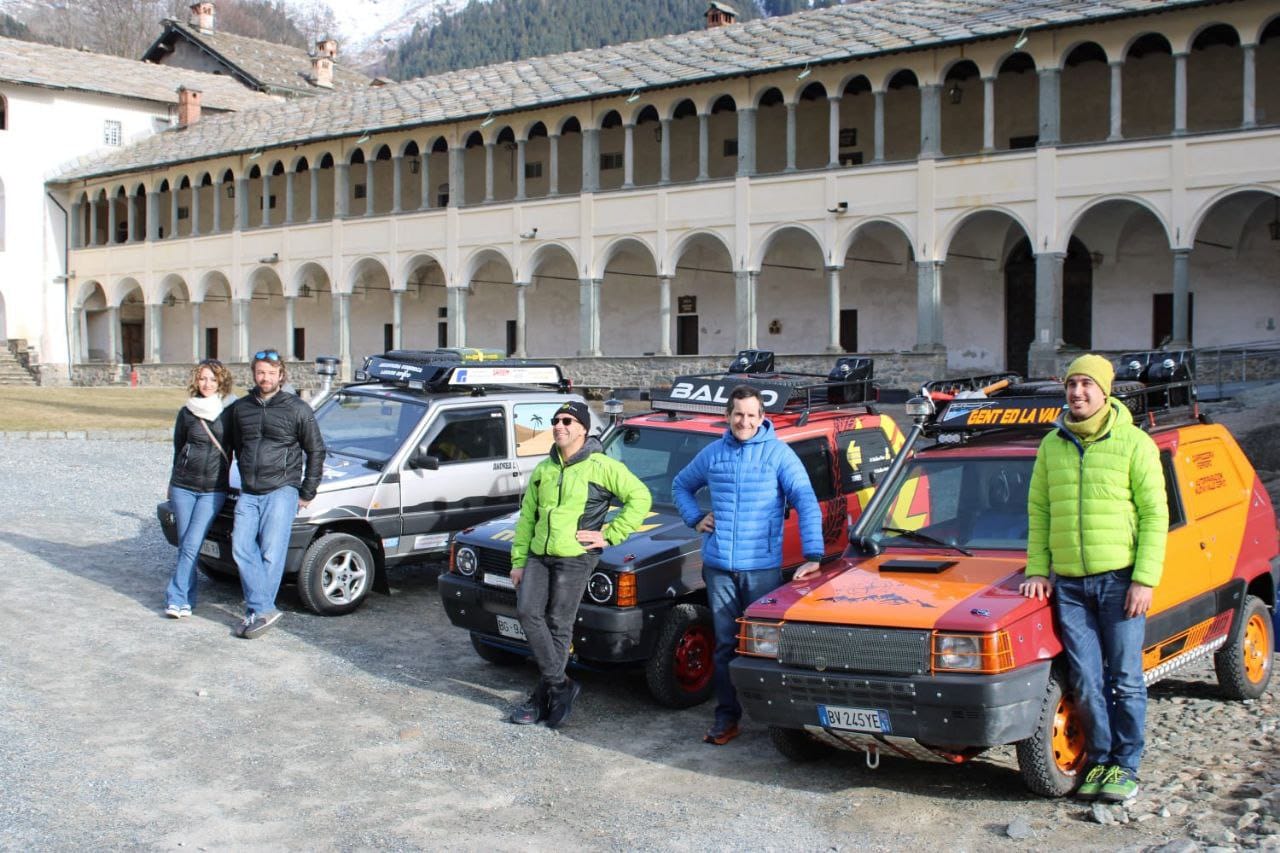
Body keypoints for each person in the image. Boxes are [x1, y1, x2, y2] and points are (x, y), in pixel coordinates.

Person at [1019, 354, 1167, 803]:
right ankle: (1101, 760)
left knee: (1124, 677)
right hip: (1070, 587)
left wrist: (1144, 578)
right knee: (1085, 680)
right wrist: (1038, 570)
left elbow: (1155, 514)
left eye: (1086, 384)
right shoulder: (1052, 445)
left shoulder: (1135, 443)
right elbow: (1040, 512)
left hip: (1120, 581)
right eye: (1071, 384)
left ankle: (1127, 765)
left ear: (1106, 392)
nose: (1077, 392)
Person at [672, 385, 824, 745]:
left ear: (762, 417)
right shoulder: (713, 454)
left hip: (761, 570)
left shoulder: (779, 455)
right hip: (720, 567)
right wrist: (695, 518)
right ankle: (727, 717)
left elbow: (806, 499)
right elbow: (681, 485)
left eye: (752, 415)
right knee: (726, 645)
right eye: (738, 414)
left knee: (767, 646)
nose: (745, 421)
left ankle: (780, 721)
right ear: (728, 416)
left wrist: (814, 555)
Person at [509, 400, 651, 727]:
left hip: (575, 556)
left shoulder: (601, 466)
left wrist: (611, 534)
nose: (559, 425)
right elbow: (527, 516)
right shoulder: (544, 469)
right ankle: (560, 685)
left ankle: (541, 695)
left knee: (559, 624)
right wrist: (519, 560)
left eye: (568, 421)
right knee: (528, 613)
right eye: (556, 420)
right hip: (538, 555)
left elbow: (640, 497)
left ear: (583, 429)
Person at [228, 349, 325, 639]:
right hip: (250, 491)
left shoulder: (297, 408)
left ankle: (256, 613)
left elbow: (316, 450)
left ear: (281, 375)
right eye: (260, 372)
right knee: (241, 547)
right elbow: (234, 445)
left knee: (272, 553)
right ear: (254, 374)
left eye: (271, 372)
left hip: (282, 489)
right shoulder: (241, 408)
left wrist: (308, 490)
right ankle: (264, 609)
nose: (265, 377)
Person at [164, 358, 235, 618]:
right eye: (203, 378)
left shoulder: (229, 411)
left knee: (192, 543)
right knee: (186, 542)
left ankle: (175, 596)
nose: (207, 384)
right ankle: (186, 600)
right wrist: (172, 482)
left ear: (221, 382)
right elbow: (178, 448)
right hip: (184, 486)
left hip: (212, 489)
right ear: (196, 380)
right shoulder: (187, 412)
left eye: (212, 379)